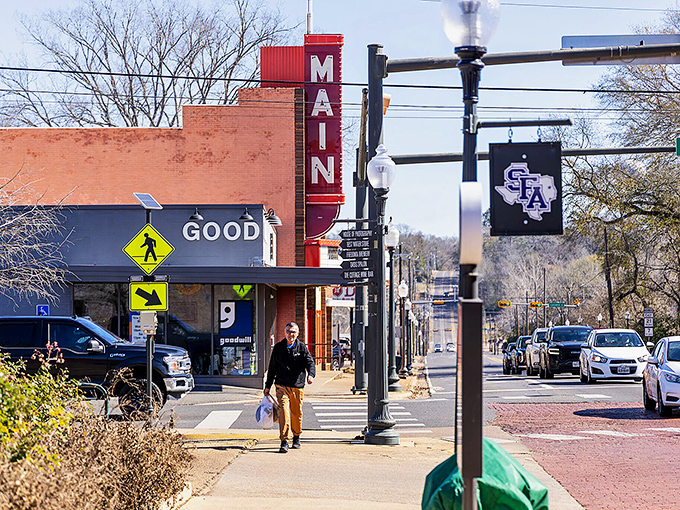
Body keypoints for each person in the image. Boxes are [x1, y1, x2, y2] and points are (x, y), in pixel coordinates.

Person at [264, 322, 315, 453]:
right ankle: (284, 441)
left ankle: (296, 436)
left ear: (297, 334)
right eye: (288, 331)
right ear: (284, 332)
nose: (290, 334)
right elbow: (272, 369)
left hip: (297, 386)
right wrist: (267, 386)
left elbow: (310, 363)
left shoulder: (302, 348)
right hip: (281, 386)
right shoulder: (278, 348)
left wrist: (311, 375)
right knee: (284, 414)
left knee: (296, 413)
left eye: (293, 332)